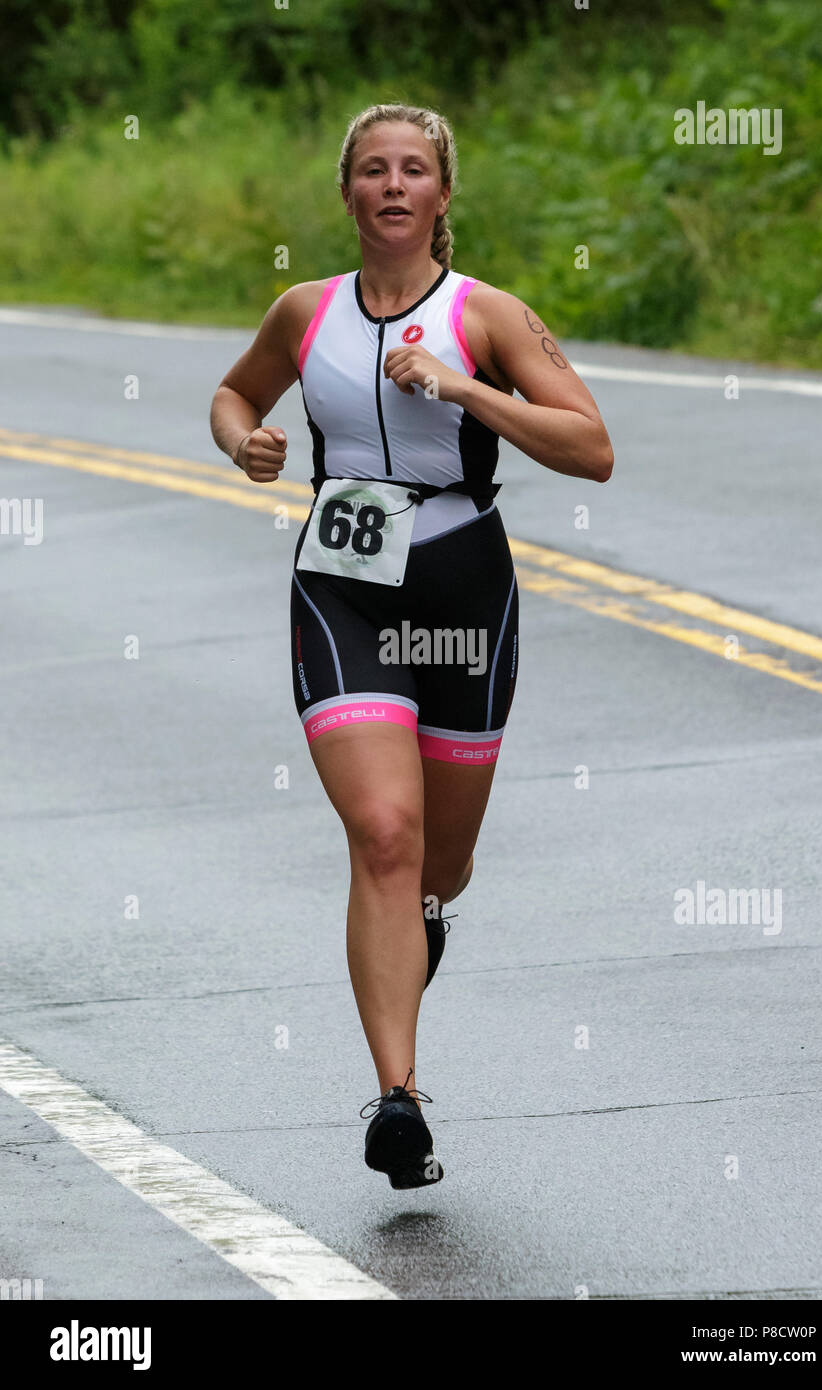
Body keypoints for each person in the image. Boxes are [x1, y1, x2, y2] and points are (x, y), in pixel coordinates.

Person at [210, 102, 613, 1189]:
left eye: (413, 171)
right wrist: (242, 436)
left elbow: (592, 448)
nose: (392, 186)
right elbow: (237, 387)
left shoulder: (487, 314)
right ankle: (399, 1103)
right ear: (346, 193)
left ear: (440, 198)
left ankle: (425, 912)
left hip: (462, 593)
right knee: (382, 833)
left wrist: (464, 385)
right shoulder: (306, 310)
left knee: (438, 861)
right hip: (341, 588)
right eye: (372, 170)